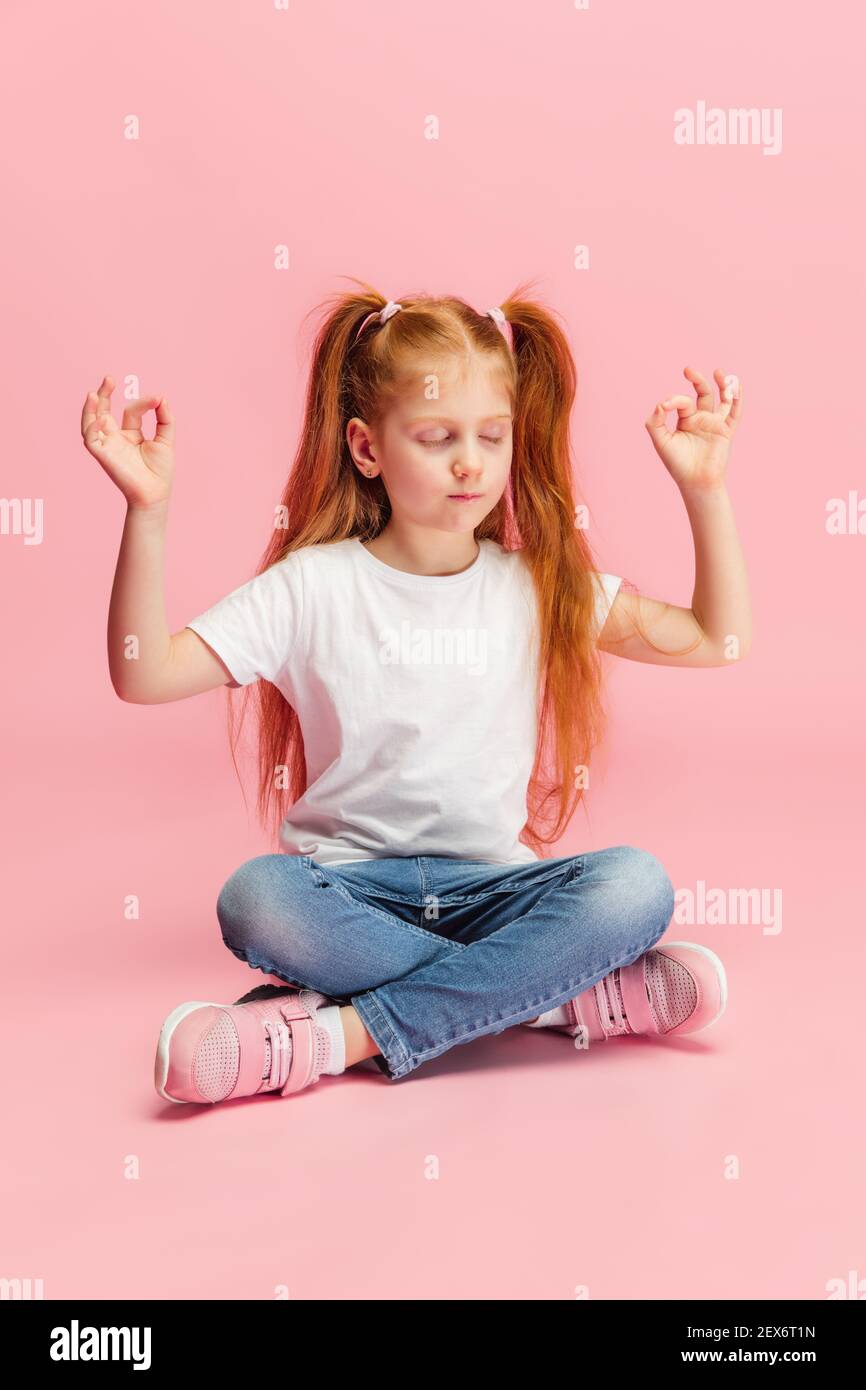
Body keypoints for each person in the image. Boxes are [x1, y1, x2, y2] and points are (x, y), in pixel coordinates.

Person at [80, 279, 749, 1105]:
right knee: (256, 899)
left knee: (634, 886)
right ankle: (558, 999)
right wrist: (146, 509)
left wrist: (705, 489)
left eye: (491, 437)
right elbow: (144, 673)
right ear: (368, 449)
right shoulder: (311, 587)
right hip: (350, 894)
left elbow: (718, 641)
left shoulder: (542, 587)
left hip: (496, 895)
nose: (470, 462)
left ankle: (325, 1039)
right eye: (436, 436)